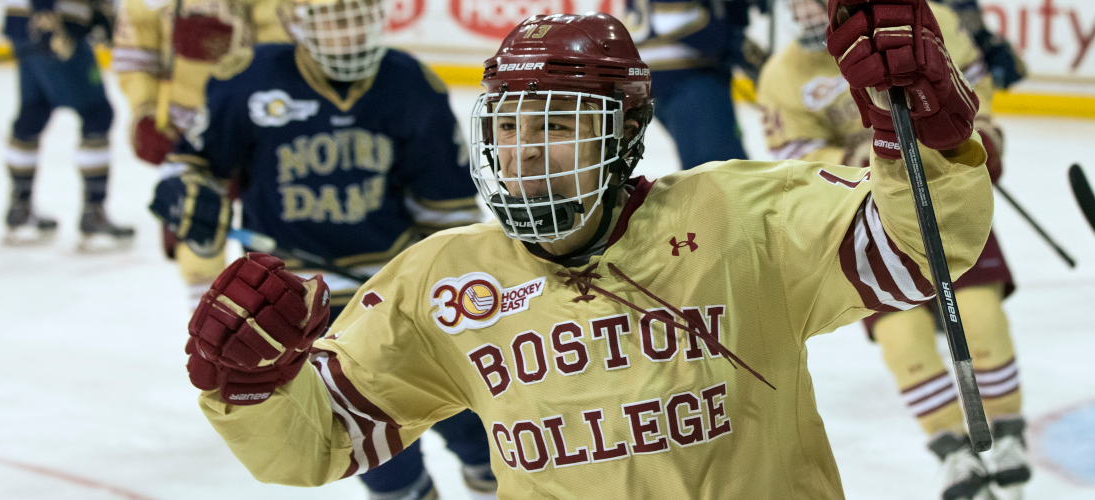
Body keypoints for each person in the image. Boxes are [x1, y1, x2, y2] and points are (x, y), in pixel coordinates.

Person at [177, 4, 994, 498]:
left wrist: (920, 132)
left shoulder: (742, 217)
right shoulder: (443, 280)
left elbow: (918, 249)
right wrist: (249, 391)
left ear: (628, 134)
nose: (527, 151)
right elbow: (325, 438)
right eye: (512, 127)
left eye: (561, 123)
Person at [146, 0, 495, 498]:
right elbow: (198, 160)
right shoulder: (250, 79)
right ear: (295, 23)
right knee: (374, 448)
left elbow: (448, 208)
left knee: (472, 423)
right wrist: (187, 188)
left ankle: (487, 473)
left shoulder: (411, 84)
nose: (349, 33)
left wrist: (450, 284)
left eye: (358, 17)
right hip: (300, 305)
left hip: (394, 294)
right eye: (333, 18)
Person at [756, 1, 1030, 498]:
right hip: (867, 212)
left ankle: (1009, 433)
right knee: (902, 338)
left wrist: (979, 129)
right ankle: (951, 447)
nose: (803, 11)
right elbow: (793, 155)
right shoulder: (782, 74)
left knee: (980, 314)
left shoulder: (923, 16)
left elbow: (969, 75)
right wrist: (851, 158)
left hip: (948, 193)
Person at [113, 0, 292, 290]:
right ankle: (207, 331)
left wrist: (245, 52)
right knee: (198, 239)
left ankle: (276, 321)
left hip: (262, 134)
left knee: (274, 253)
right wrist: (144, 109)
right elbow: (136, 52)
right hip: (190, 139)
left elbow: (289, 49)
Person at [2, 0, 134, 249]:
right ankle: (93, 212)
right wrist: (45, 15)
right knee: (97, 114)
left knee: (32, 114)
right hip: (55, 21)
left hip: (23, 23)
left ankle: (19, 208)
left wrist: (98, 13)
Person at [621, 0, 762, 168]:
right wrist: (735, 44)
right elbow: (674, 18)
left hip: (671, 76)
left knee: (717, 172)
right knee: (720, 175)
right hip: (688, 75)